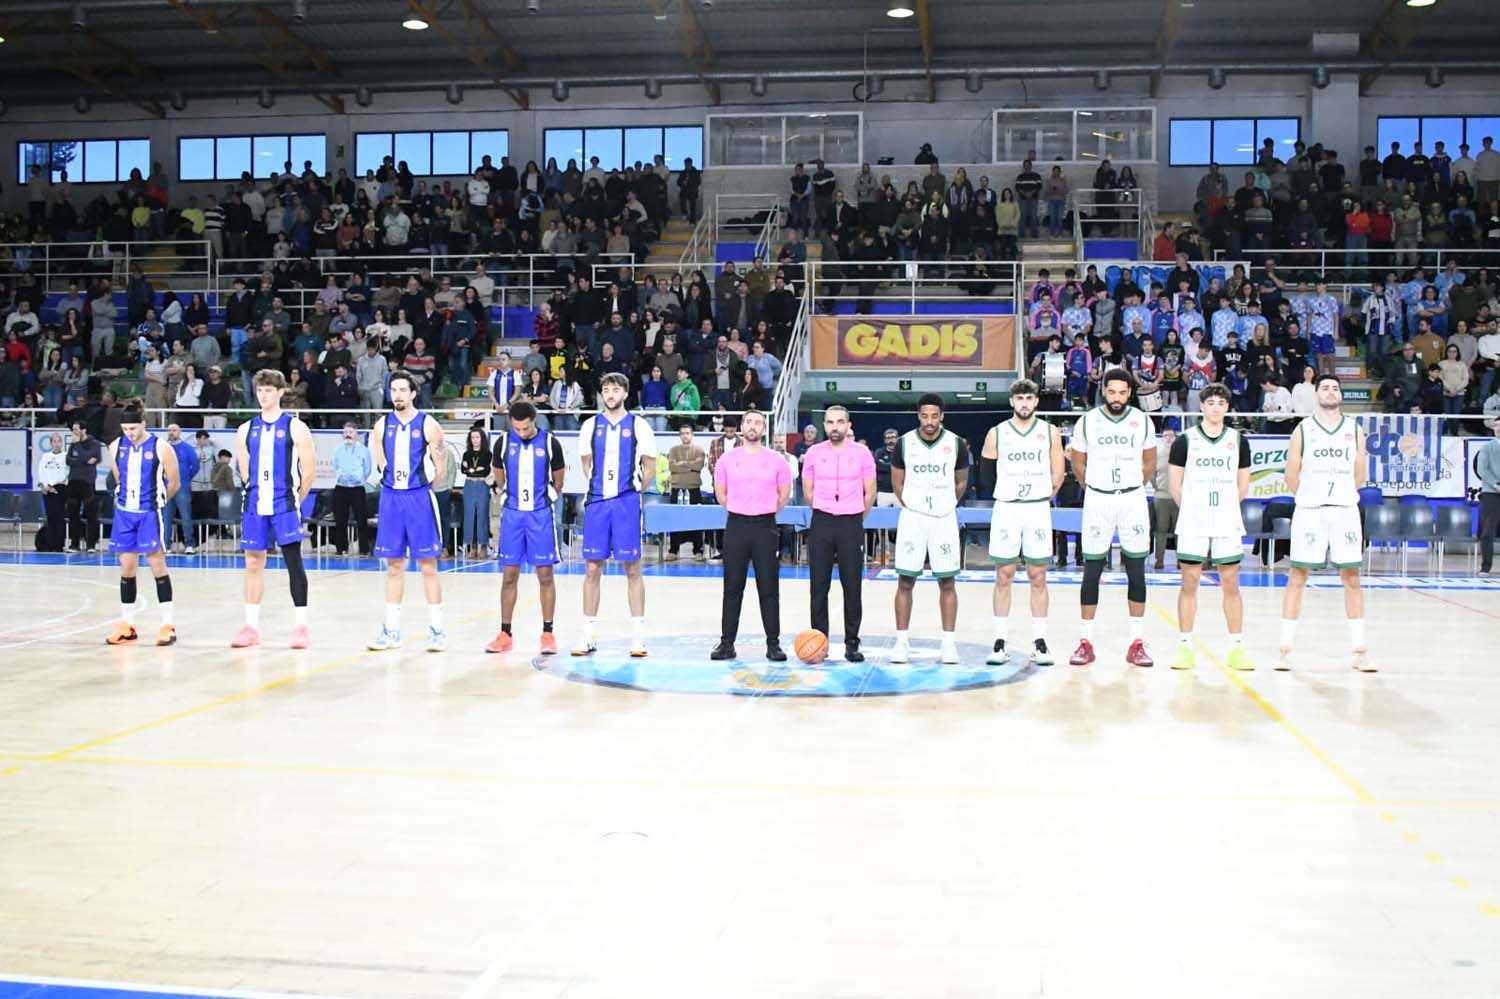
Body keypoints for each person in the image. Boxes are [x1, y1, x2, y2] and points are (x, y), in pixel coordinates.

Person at [1277, 374, 1375, 671]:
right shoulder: (1303, 429)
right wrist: (1310, 496)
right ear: (1316, 394)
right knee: (1298, 575)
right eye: (1325, 388)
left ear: (1340, 396)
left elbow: (1360, 474)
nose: (1331, 392)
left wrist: (1341, 495)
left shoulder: (1354, 429)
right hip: (1310, 510)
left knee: (1352, 577)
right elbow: (1291, 475)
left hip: (1344, 510)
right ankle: (1284, 648)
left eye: (1335, 388)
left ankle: (1360, 650)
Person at [1068, 368, 1156, 667]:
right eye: (1111, 391)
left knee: (1136, 569)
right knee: (1092, 569)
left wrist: (1133, 485)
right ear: (1103, 391)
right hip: (1098, 498)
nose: (1116, 397)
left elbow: (1150, 460)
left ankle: (1136, 643)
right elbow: (1077, 460)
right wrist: (1090, 485)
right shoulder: (1088, 421)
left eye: (1122, 392)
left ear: (1129, 393)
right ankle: (1085, 641)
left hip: (1132, 498)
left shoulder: (1142, 421)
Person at [1167, 384, 1253, 672]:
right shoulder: (1185, 440)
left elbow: (1243, 485)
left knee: (1231, 582)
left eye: (1221, 403)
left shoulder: (1238, 440)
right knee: (1189, 582)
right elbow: (1175, 486)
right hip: (1194, 520)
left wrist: (1224, 508)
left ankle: (1236, 647)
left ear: (1227, 407)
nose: (1215, 408)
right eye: (1211, 403)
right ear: (1201, 407)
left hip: (1227, 520)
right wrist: (1194, 510)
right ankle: (1185, 646)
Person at [574, 372, 658, 657]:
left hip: (626, 503)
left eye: (615, 390)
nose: (610, 394)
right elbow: (586, 463)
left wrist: (634, 491)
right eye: (606, 389)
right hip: (597, 502)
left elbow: (650, 467)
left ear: (625, 393)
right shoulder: (589, 426)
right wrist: (598, 488)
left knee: (632, 568)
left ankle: (638, 638)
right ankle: (588, 636)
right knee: (592, 568)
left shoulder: (639, 425)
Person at [232, 370, 317, 650]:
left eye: (269, 390)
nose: (263, 395)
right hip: (255, 504)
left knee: (293, 562)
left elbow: (309, 472)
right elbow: (244, 471)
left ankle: (301, 626)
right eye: (260, 390)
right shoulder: (245, 429)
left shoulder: (295, 428)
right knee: (253, 563)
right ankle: (250, 627)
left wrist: (295, 499)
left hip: (285, 505)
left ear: (280, 392)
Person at [980, 379, 1063, 665]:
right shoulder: (997, 433)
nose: (1024, 403)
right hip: (1007, 509)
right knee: (1004, 575)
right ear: (1012, 402)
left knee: (1038, 576)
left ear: (1036, 401)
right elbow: (986, 473)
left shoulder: (1050, 432)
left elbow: (1058, 472)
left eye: (1029, 398)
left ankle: (1039, 642)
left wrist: (1043, 494)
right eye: (1020, 399)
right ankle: (999, 641)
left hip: (1037, 509)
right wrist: (1006, 495)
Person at [367, 371, 449, 652]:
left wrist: (421, 490)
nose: (398, 394)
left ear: (414, 393)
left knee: (428, 565)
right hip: (390, 498)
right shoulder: (381, 426)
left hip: (418, 498)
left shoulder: (429, 425)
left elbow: (441, 469)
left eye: (403, 389)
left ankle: (438, 631)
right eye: (394, 389)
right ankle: (391, 631)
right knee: (393, 566)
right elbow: (380, 464)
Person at [890, 393, 970, 665]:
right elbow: (897, 483)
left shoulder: (956, 443)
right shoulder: (903, 444)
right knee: (905, 581)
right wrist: (914, 505)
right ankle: (901, 643)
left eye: (934, 416)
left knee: (947, 581)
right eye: (925, 416)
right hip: (912, 517)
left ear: (942, 416)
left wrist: (945, 503)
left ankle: (948, 645)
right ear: (918, 416)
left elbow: (961, 482)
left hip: (943, 517)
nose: (929, 421)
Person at [710, 409, 792, 662]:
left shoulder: (777, 460)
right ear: (742, 427)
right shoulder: (726, 459)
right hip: (736, 525)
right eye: (749, 422)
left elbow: (784, 495)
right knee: (732, 588)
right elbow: (721, 494)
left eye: (758, 422)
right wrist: (742, 509)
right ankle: (727, 644)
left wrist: (761, 511)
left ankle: (773, 644)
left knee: (769, 588)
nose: (753, 426)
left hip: (765, 526)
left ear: (764, 429)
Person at [485, 401, 567, 655]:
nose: (522, 432)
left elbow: (559, 479)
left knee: (545, 575)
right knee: (509, 575)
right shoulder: (502, 442)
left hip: (540, 515)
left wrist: (546, 499)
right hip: (512, 515)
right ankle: (505, 634)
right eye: (517, 428)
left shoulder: (551, 442)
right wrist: (505, 494)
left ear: (535, 422)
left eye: (527, 428)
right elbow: (498, 473)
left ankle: (548, 634)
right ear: (511, 423)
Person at [801, 405, 877, 662]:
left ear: (848, 425)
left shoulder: (862, 454)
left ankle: (852, 643)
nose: (835, 427)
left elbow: (870, 492)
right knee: (818, 586)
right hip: (821, 521)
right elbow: (808, 492)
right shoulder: (813, 453)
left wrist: (853, 515)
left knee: (852, 585)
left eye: (840, 422)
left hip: (851, 522)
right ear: (824, 425)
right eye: (831, 422)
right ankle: (819, 641)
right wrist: (825, 511)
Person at [104, 407, 181, 647]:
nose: (130, 434)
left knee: (157, 565)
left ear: (143, 424)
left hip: (149, 514)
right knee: (127, 568)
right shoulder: (116, 446)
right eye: (126, 429)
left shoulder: (161, 447)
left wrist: (156, 503)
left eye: (134, 429)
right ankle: (127, 625)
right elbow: (118, 476)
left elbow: (175, 482)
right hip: (125, 514)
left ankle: (167, 624)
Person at [330, 421, 373, 557]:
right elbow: (335, 465)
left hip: (357, 488)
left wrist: (359, 478)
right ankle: (341, 548)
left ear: (356, 434)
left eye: (350, 432)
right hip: (341, 488)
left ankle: (364, 550)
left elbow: (367, 469)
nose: (348, 435)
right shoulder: (338, 450)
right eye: (345, 432)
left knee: (361, 520)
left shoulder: (364, 450)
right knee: (340, 520)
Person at [665, 424, 707, 560]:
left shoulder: (699, 450)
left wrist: (681, 465)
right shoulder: (673, 450)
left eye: (687, 433)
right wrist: (690, 465)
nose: (685, 435)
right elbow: (672, 466)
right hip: (677, 488)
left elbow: (699, 465)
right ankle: (673, 550)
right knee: (674, 520)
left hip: (694, 488)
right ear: (679, 435)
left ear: (692, 434)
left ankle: (698, 550)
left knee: (697, 520)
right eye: (682, 433)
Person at [160, 424, 200, 554]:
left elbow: (195, 466)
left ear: (180, 432)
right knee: (166, 517)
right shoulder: (163, 449)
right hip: (166, 487)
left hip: (182, 487)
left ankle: (189, 544)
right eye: (169, 430)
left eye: (174, 430)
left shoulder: (187, 449)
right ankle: (166, 545)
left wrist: (186, 478)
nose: (172, 432)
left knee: (186, 516)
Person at [65, 420, 104, 553]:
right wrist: (83, 460)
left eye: (76, 429)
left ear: (84, 430)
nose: (74, 432)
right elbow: (68, 460)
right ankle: (74, 543)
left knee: (91, 514)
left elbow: (89, 457)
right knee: (73, 514)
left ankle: (91, 544)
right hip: (73, 481)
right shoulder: (73, 445)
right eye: (73, 429)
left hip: (87, 482)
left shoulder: (94, 444)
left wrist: (79, 449)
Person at [459, 426, 494, 560]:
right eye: (472, 437)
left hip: (482, 484)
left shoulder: (488, 454)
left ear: (482, 439)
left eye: (477, 437)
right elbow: (464, 469)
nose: (475, 440)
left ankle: (483, 545)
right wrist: (474, 470)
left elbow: (485, 471)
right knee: (469, 515)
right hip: (469, 484)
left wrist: (473, 469)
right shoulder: (466, 454)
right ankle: (472, 546)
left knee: (482, 514)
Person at [34, 432, 70, 552]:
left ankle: (58, 545)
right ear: (50, 443)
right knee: (50, 517)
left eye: (58, 441)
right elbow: (41, 472)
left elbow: (64, 473)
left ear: (61, 443)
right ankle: (49, 543)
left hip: (59, 488)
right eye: (54, 441)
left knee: (59, 517)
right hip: (47, 490)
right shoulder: (46, 456)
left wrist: (53, 484)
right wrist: (45, 485)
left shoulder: (65, 456)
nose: (56, 444)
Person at [1151, 427, 1178, 570]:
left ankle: (1181, 560)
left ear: (1175, 438)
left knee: (1179, 530)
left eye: (1171, 435)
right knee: (1160, 529)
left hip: (1179, 498)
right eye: (1165, 436)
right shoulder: (1157, 455)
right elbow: (1151, 475)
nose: (1168, 438)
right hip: (1161, 497)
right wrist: (1158, 487)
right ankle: (1159, 559)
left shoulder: (1182, 455)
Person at [1477, 419, 1500, 575]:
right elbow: (1482, 470)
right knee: (1487, 531)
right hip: (1491, 493)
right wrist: (1496, 485)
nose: (1497, 428)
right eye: (1496, 425)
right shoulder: (1487, 448)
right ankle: (1486, 566)